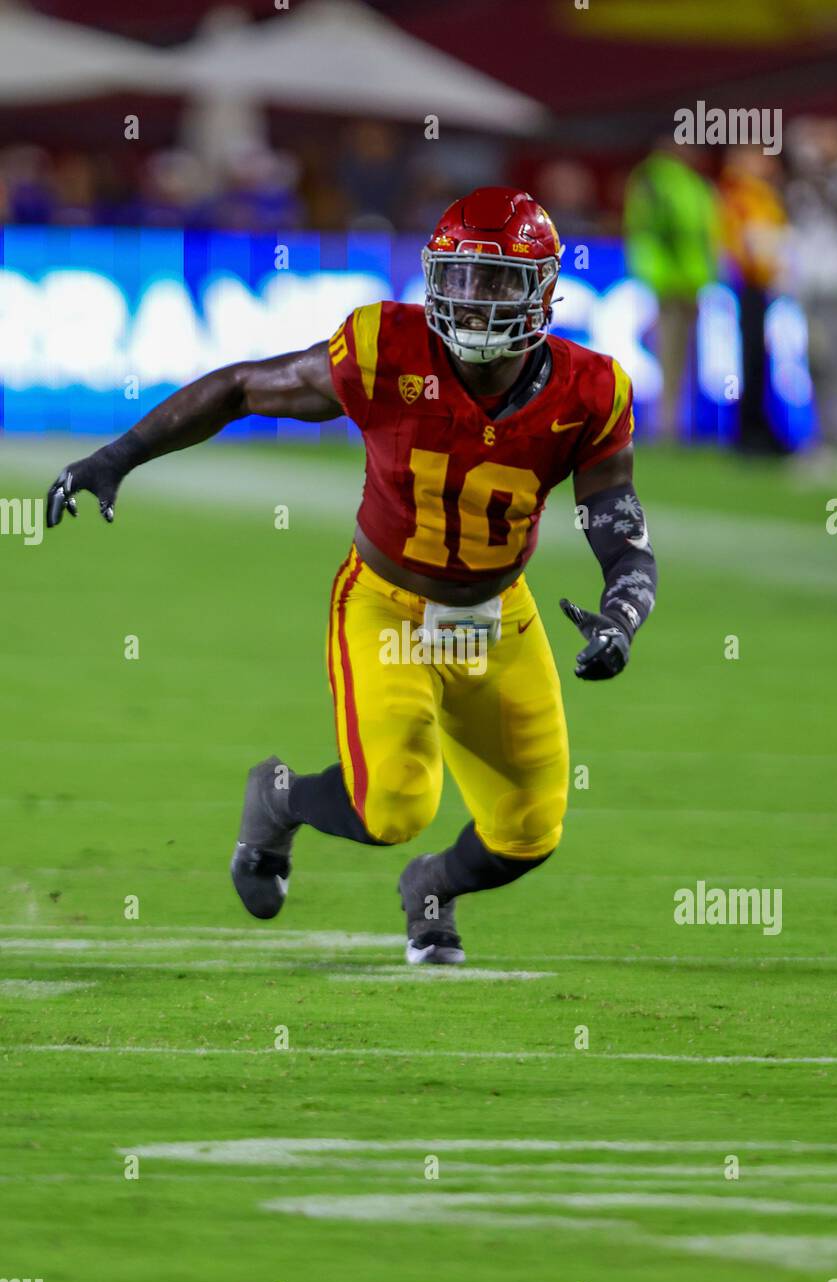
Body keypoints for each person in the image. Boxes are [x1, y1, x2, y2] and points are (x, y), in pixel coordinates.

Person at [45, 187, 657, 966]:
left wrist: (623, 615)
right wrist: (116, 455)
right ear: (434, 278)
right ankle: (278, 801)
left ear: (541, 290)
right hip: (389, 607)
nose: (473, 302)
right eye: (461, 278)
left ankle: (431, 889)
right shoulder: (386, 347)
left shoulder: (592, 390)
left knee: (529, 831)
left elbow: (618, 525)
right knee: (394, 803)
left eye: (497, 281)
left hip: (497, 616)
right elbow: (242, 388)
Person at [624, 140, 720, 440]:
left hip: (691, 281)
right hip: (666, 281)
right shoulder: (656, 180)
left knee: (684, 356)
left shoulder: (691, 182)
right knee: (667, 353)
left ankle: (680, 423)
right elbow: (654, 229)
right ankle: (665, 426)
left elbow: (706, 234)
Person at [785, 118, 837, 469]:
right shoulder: (804, 185)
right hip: (813, 288)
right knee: (818, 366)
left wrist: (822, 182)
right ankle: (826, 441)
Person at [718, 147, 788, 454]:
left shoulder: (762, 195)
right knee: (750, 356)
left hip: (762, 285)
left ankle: (759, 426)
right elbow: (742, 242)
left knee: (760, 355)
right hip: (749, 284)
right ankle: (749, 430)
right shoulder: (742, 195)